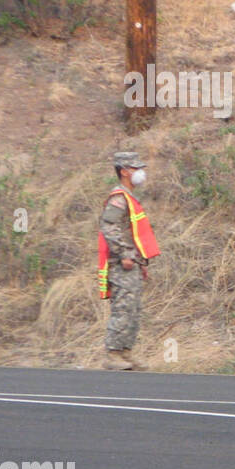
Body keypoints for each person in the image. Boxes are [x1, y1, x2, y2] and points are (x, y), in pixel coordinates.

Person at [98, 151, 160, 371]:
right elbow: (108, 226)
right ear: (123, 171)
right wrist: (124, 253)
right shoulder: (118, 198)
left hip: (132, 263)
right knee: (123, 308)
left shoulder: (129, 197)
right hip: (122, 263)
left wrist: (140, 262)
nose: (139, 172)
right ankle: (113, 354)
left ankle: (126, 352)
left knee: (133, 309)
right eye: (134, 168)